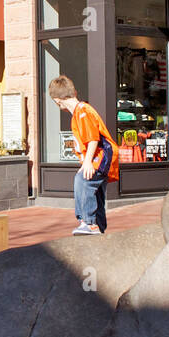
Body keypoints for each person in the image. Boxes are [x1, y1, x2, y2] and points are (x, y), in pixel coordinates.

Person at [48, 75, 119, 236]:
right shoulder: (80, 112)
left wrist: (87, 162)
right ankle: (99, 225)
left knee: (83, 181)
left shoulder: (83, 111)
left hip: (101, 155)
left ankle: (89, 222)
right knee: (96, 191)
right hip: (100, 156)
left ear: (57, 100)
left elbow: (92, 138)